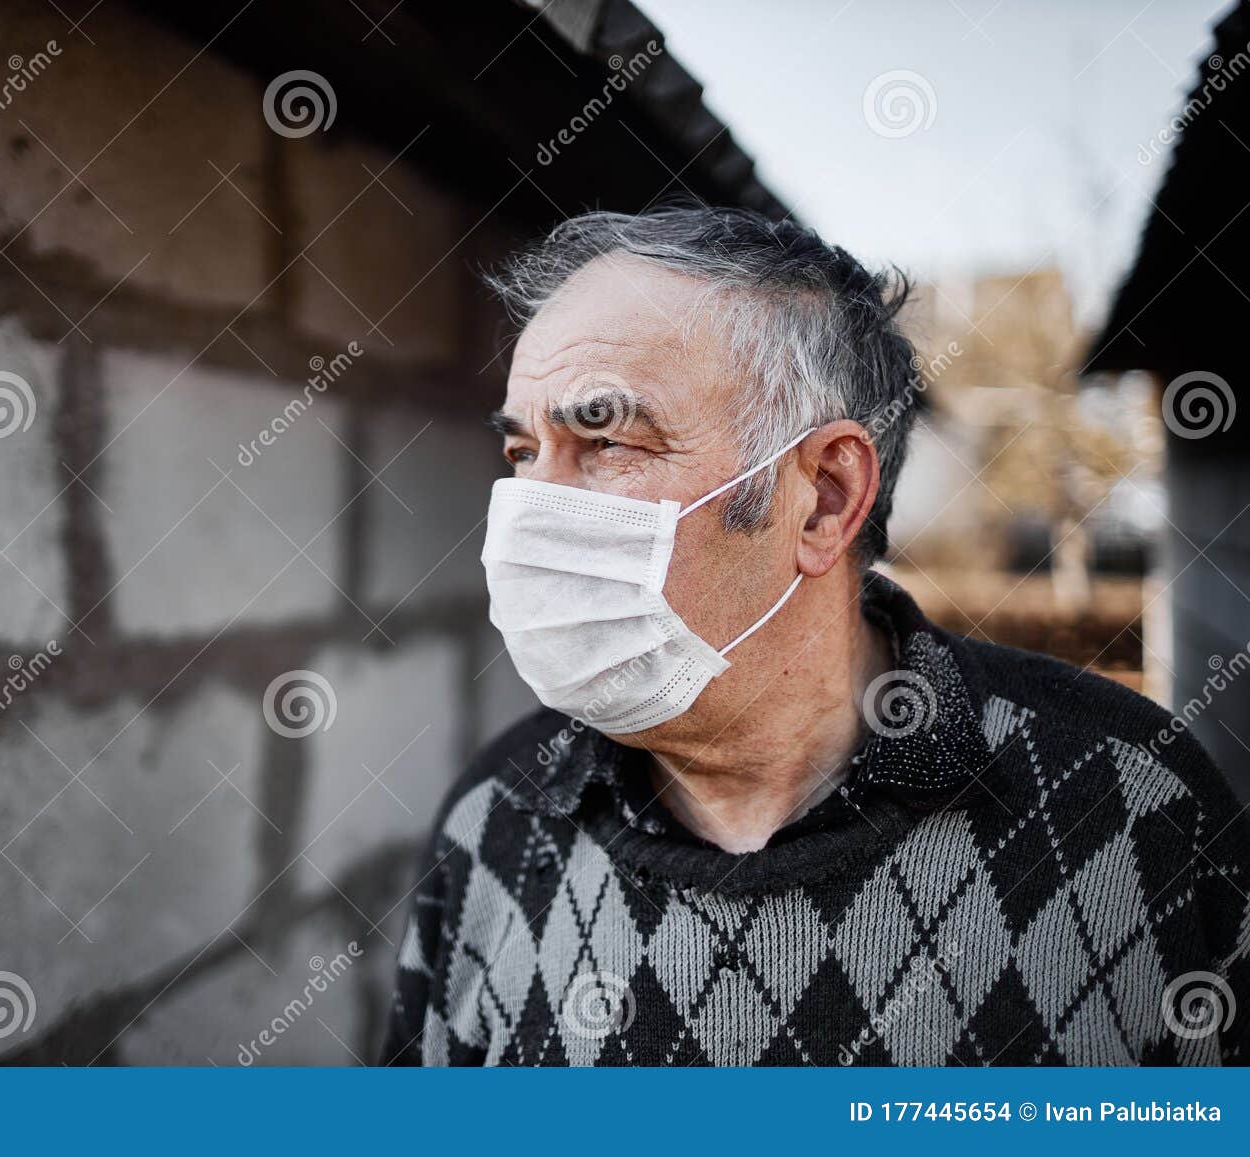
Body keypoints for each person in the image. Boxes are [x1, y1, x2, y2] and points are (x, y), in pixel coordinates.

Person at [382, 206, 1249, 1066]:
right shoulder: (498, 816)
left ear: (825, 497)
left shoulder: (1135, 809)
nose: (533, 510)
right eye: (524, 452)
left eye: (606, 440)